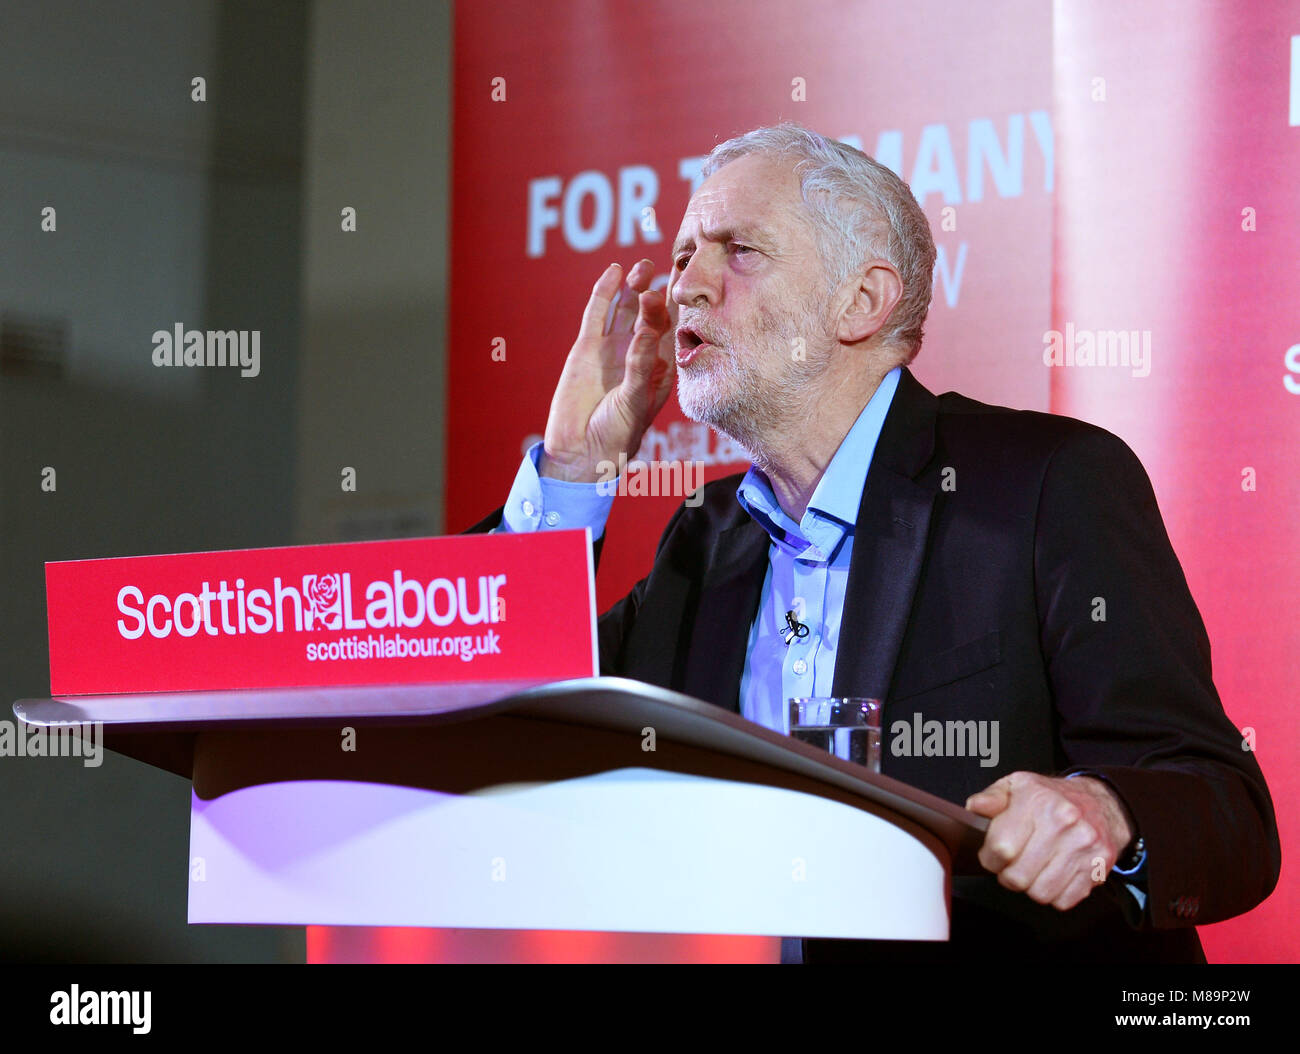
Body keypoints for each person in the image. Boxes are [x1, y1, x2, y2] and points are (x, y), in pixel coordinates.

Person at [469, 123, 1280, 963]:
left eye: (738, 251)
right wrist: (574, 466)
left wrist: (1106, 812)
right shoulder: (701, 545)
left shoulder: (1046, 487)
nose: (688, 289)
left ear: (862, 301)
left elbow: (1224, 809)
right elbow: (483, 715)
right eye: (681, 259)